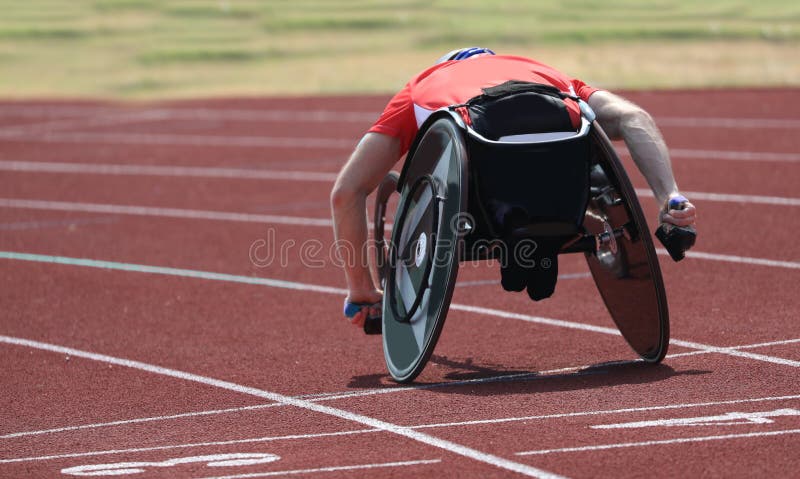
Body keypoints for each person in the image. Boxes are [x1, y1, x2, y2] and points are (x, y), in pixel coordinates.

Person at [330, 47, 697, 332]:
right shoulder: (547, 73)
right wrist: (668, 195)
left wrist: (363, 293)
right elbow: (635, 119)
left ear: (446, 65)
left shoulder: (423, 86)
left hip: (485, 189)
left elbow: (346, 193)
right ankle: (670, 206)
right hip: (564, 188)